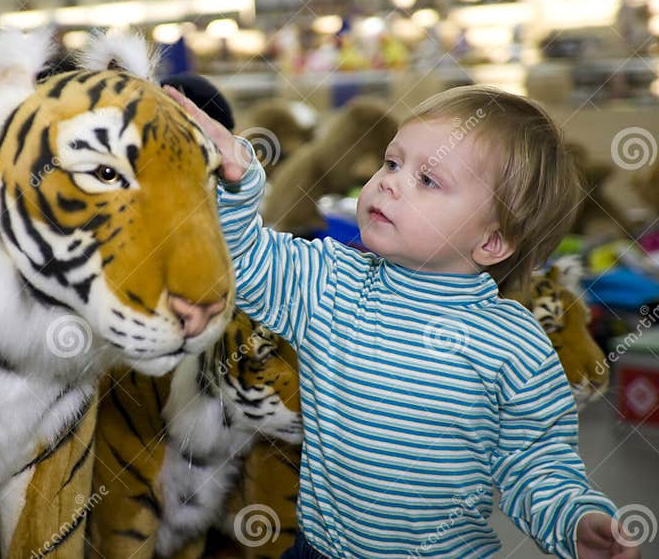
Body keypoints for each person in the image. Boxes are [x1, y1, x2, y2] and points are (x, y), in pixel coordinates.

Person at [165, 84, 639, 559]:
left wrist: (576, 520)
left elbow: (536, 463)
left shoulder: (514, 346)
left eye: (427, 180)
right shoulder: (329, 282)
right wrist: (238, 181)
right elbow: (244, 258)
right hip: (318, 549)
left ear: (492, 242)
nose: (389, 182)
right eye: (392, 163)